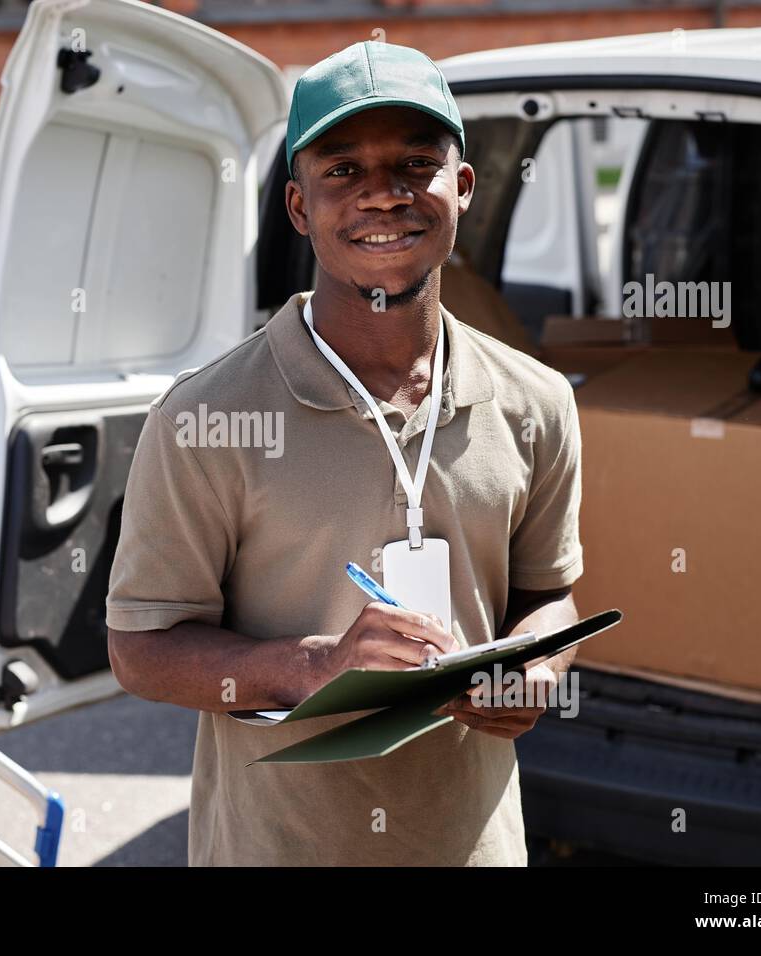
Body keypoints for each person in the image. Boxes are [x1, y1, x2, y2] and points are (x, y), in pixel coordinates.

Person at [105, 39, 584, 866]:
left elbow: (552, 597)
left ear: (461, 188)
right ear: (298, 207)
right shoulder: (205, 417)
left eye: (415, 164)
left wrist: (537, 668)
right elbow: (142, 650)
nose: (384, 196)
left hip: (477, 847)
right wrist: (319, 666)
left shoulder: (536, 400)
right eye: (343, 170)